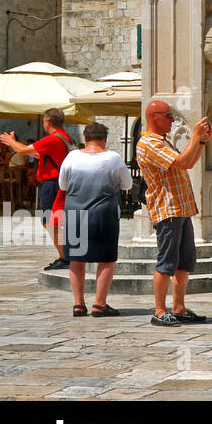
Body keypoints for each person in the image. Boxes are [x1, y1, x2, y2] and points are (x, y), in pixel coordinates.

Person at [136, 101, 211, 326]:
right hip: (167, 208)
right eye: (168, 116)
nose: (172, 121)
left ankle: (178, 307)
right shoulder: (149, 143)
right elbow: (181, 162)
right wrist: (194, 136)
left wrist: (201, 141)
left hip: (180, 207)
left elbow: (188, 162)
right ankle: (159, 311)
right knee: (167, 261)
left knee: (184, 261)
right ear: (154, 116)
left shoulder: (162, 141)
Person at [59, 122, 132, 318]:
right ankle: (99, 304)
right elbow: (127, 184)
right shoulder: (113, 158)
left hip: (75, 213)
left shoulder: (72, 157)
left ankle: (78, 304)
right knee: (106, 260)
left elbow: (63, 184)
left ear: (85, 138)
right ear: (105, 139)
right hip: (103, 214)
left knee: (75, 260)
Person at [1, 109, 73, 271]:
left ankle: (65, 258)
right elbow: (36, 153)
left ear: (47, 121)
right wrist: (15, 142)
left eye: (43, 121)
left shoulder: (53, 139)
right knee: (53, 221)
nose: (42, 124)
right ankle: (66, 256)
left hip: (51, 184)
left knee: (49, 221)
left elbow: (23, 151)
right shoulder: (63, 137)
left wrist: (10, 141)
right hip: (56, 183)